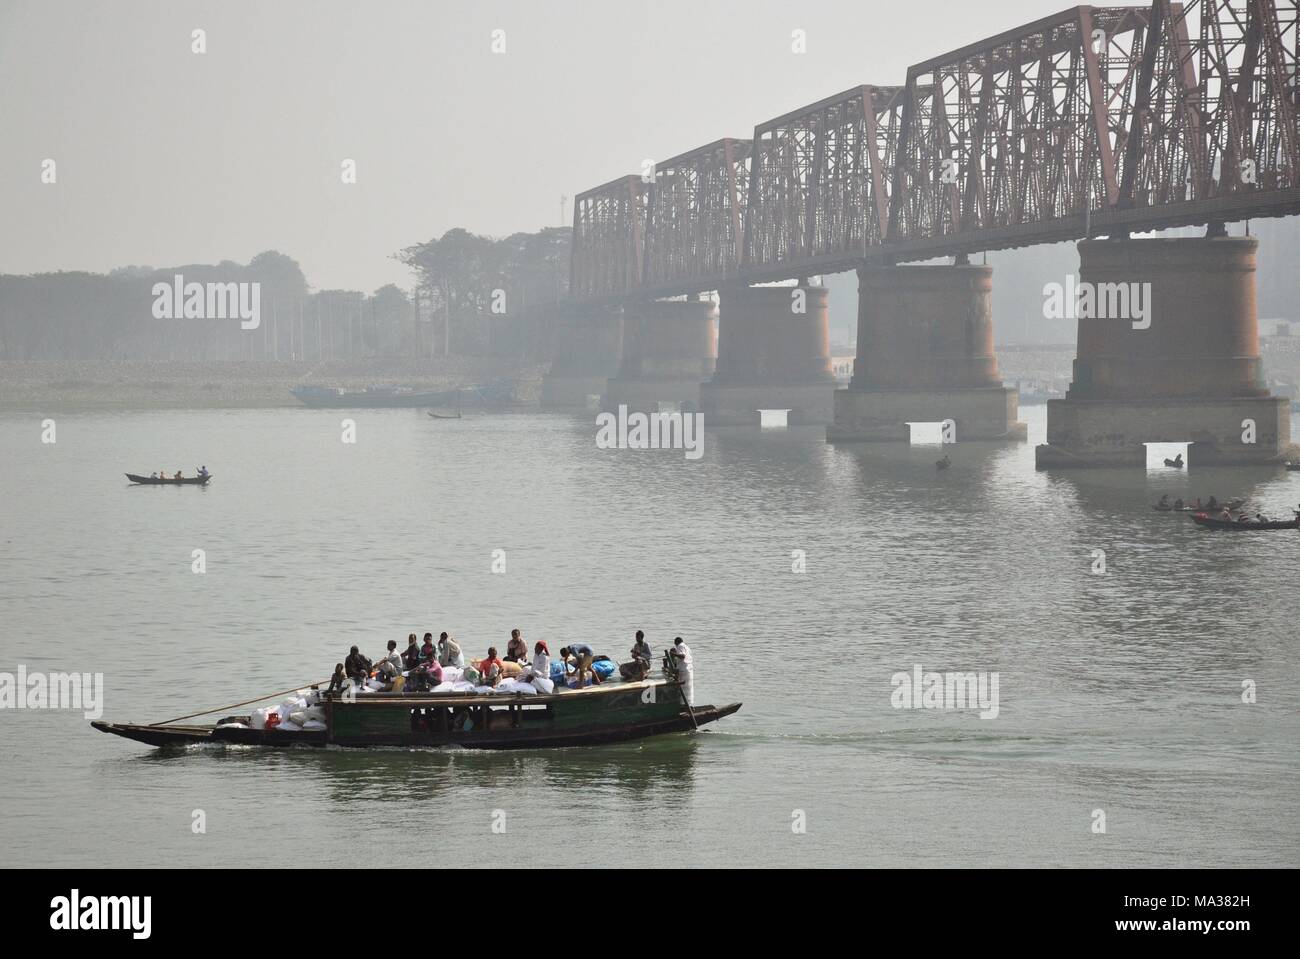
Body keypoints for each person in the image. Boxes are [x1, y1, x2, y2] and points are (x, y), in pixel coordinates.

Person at [667, 637, 694, 705]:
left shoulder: (680, 646)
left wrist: (673, 654)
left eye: (675, 644)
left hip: (683, 671)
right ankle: (688, 705)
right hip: (689, 670)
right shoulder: (687, 647)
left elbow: (682, 656)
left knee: (683, 690)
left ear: (676, 642)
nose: (676, 647)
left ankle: (683, 706)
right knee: (688, 690)